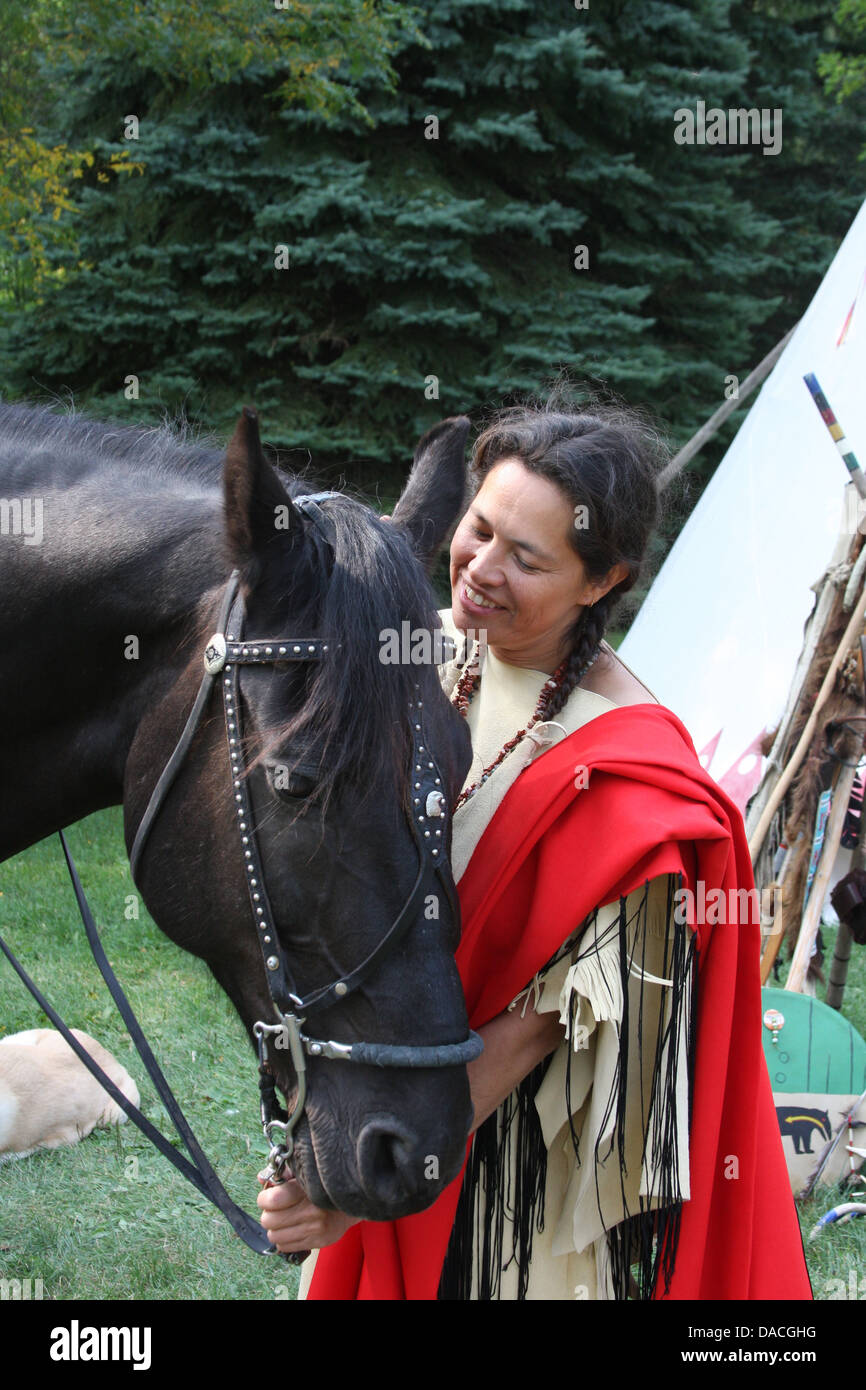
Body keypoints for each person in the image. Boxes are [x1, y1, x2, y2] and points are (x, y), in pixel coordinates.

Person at [257, 400, 813, 1301]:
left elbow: (525, 1037)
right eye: (479, 529)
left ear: (602, 582)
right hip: (377, 1105)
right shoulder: (414, 650)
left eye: (528, 559)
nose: (481, 569)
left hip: (510, 1195)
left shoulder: (639, 791)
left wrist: (356, 1195)